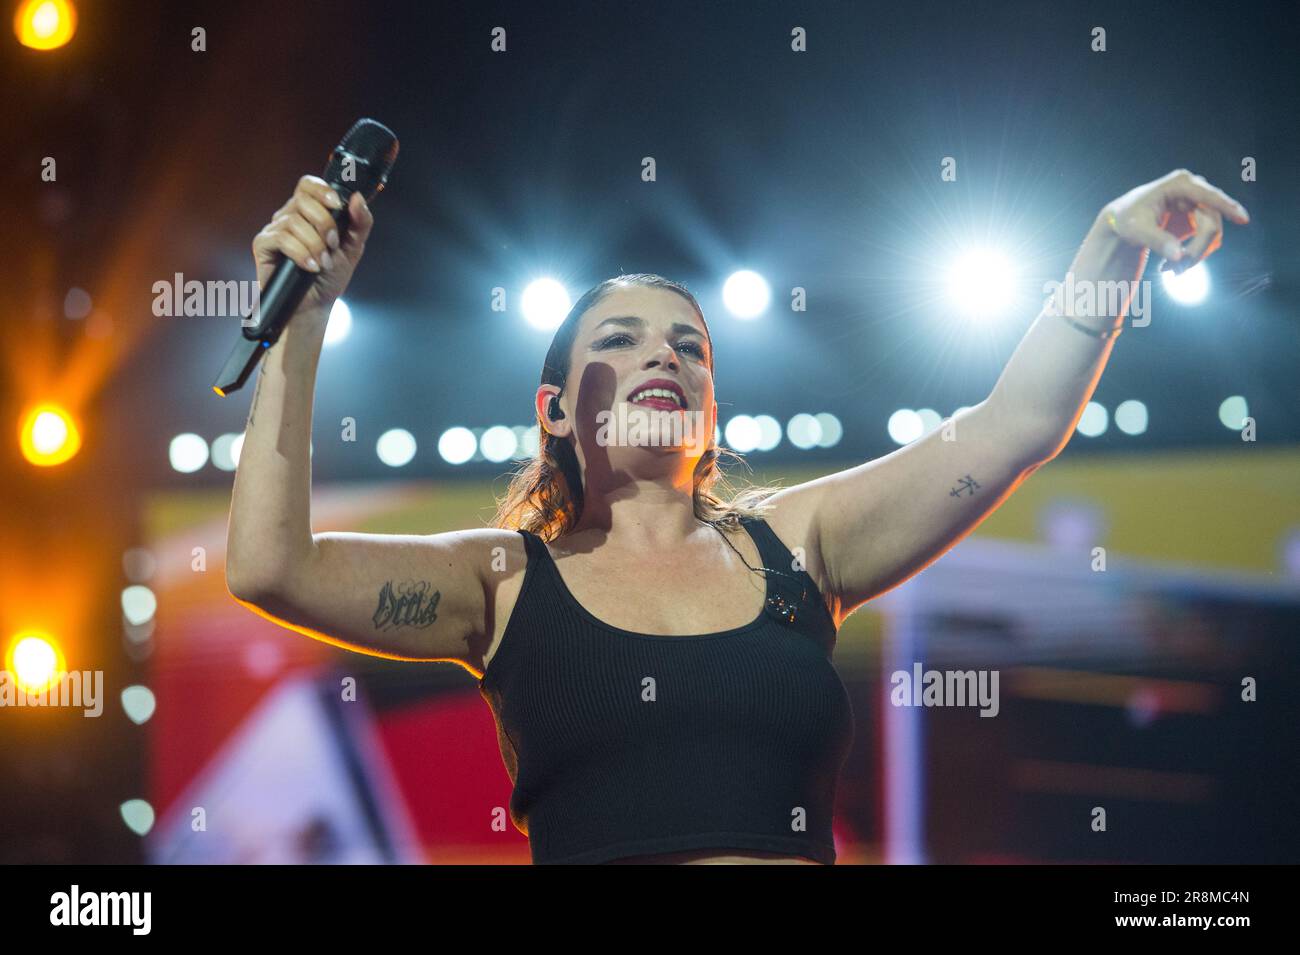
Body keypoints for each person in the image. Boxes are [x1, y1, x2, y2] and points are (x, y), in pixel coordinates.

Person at [226, 169, 1249, 864]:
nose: (663, 355)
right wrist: (304, 322)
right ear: (554, 412)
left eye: (689, 345)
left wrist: (1111, 243)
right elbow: (270, 564)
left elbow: (1014, 423)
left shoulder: (798, 547)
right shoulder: (499, 580)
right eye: (619, 341)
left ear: (709, 408)